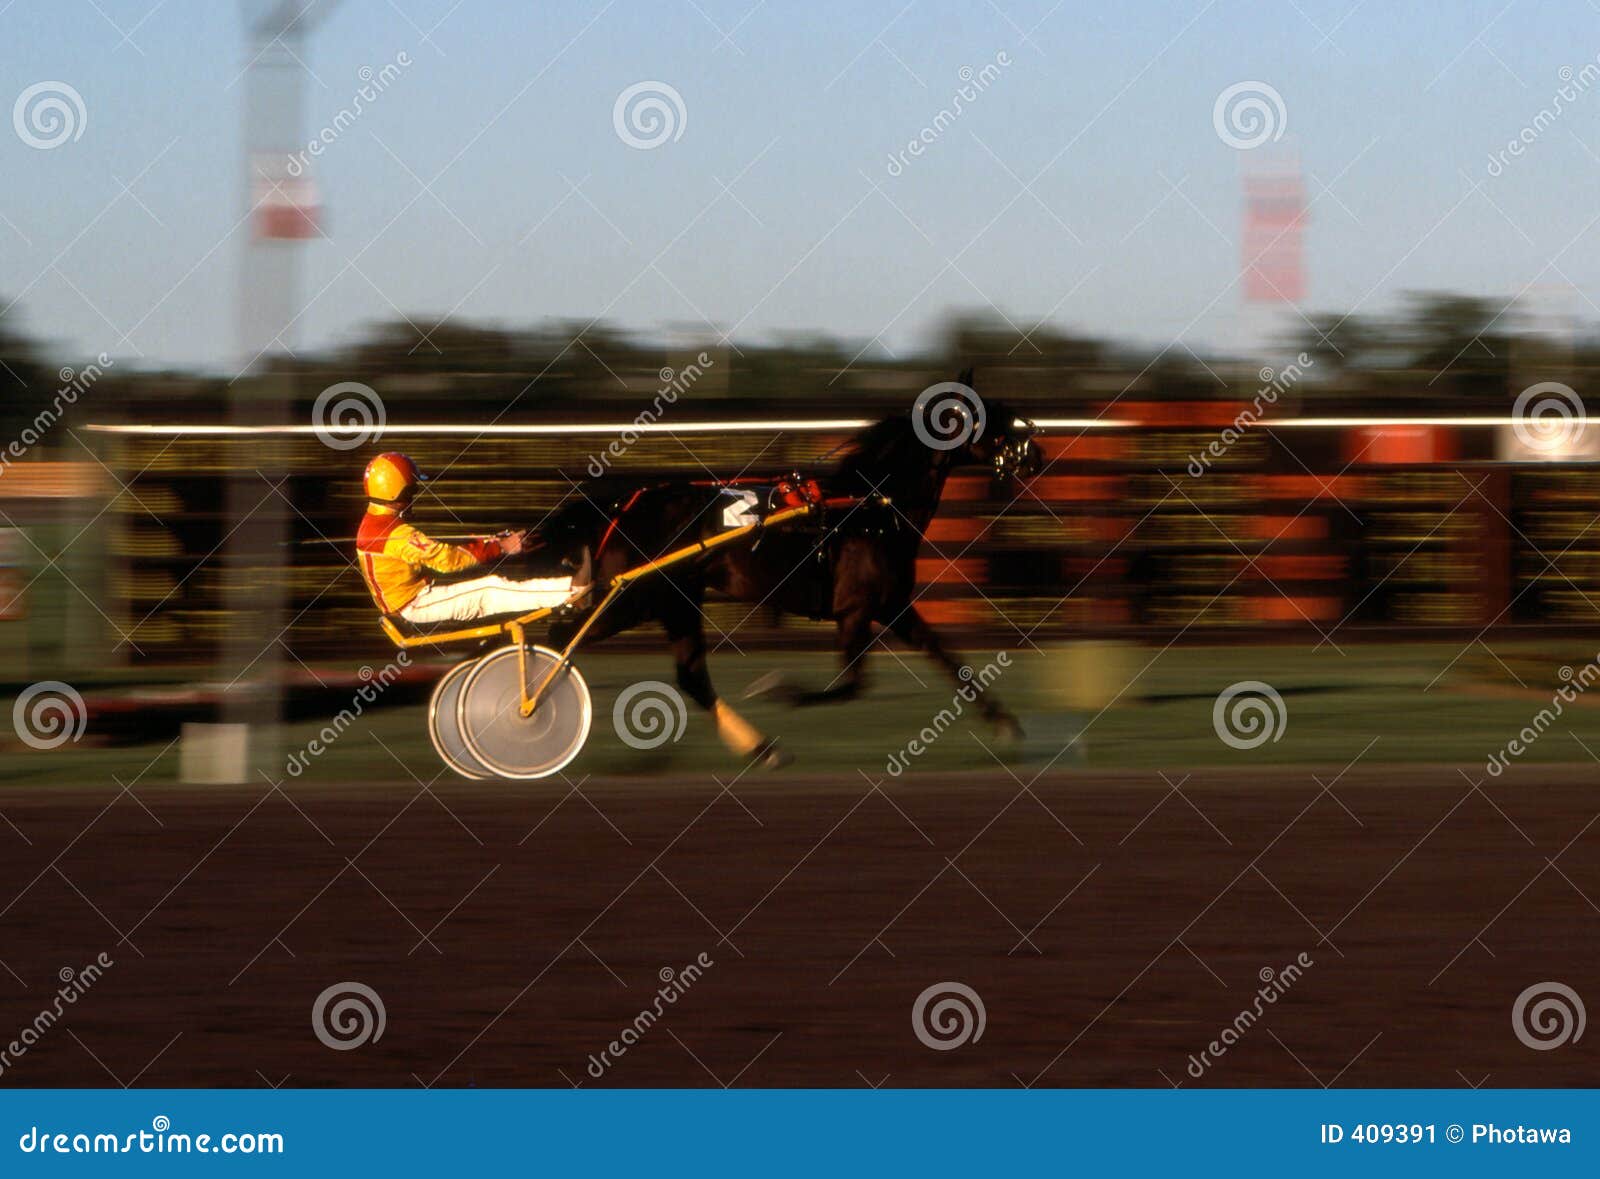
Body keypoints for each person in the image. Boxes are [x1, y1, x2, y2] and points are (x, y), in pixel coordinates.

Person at [356, 452, 589, 625]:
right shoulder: (396, 534)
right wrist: (501, 547)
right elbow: (448, 561)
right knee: (492, 589)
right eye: (413, 490)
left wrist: (491, 543)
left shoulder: (374, 522)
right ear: (399, 493)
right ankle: (573, 591)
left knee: (485, 581)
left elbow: (435, 552)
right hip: (414, 605)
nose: (415, 496)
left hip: (413, 597)